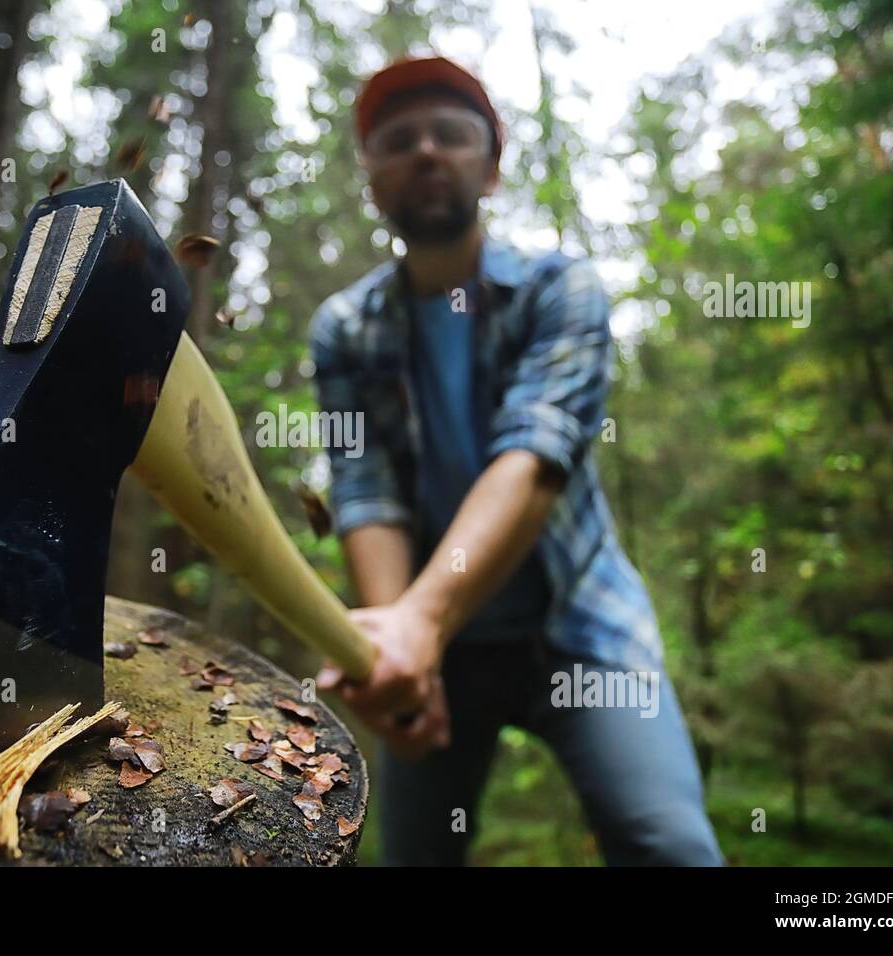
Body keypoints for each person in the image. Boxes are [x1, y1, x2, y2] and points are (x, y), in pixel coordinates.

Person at [309, 55, 724, 866]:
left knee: (667, 845)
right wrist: (395, 654)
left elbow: (536, 457)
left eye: (451, 134)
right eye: (397, 140)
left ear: (490, 168)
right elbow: (366, 489)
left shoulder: (559, 290)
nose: (425, 151)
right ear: (372, 181)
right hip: (440, 649)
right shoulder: (344, 329)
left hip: (579, 628)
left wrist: (417, 622)